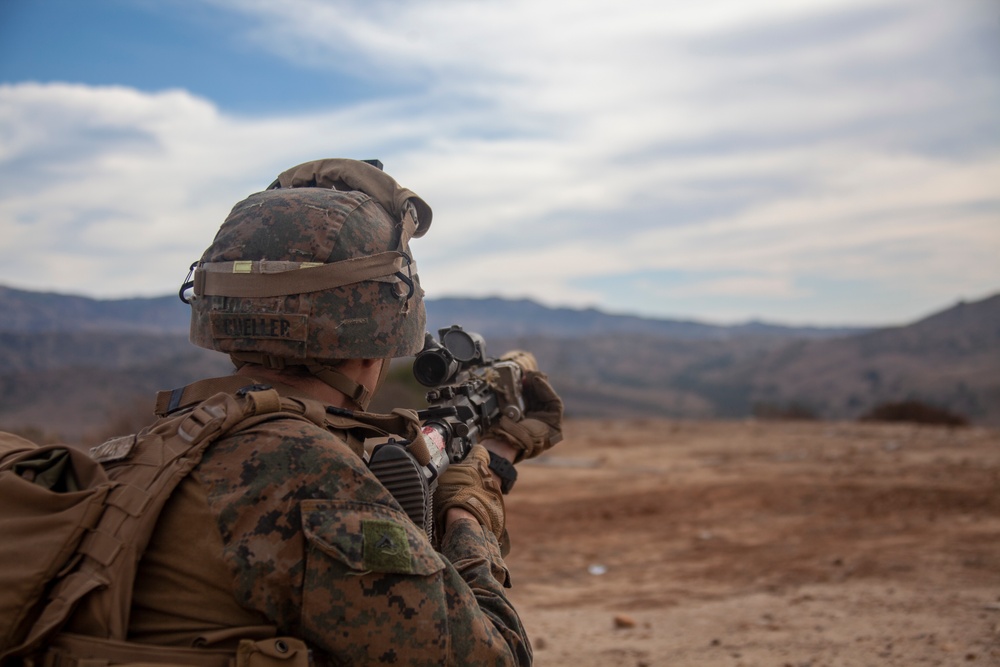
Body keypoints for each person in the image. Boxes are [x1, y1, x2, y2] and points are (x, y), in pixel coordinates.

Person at [42, 158, 563, 666]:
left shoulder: (145, 449)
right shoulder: (310, 477)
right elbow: (496, 656)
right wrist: (472, 497)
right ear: (380, 329)